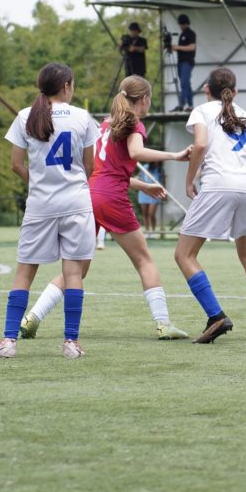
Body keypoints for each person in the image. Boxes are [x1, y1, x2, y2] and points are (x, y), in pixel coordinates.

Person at [18, 76, 193, 341]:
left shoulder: (106, 124)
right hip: (111, 199)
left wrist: (143, 186)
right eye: (150, 98)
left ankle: (33, 317)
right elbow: (135, 153)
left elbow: (107, 171)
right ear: (144, 99)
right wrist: (175, 155)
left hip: (88, 194)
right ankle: (163, 324)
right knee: (144, 260)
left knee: (77, 269)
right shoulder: (134, 123)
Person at [0, 63, 100, 359]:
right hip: (76, 202)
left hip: (40, 204)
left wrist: (37, 181)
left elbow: (15, 164)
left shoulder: (26, 115)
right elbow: (89, 166)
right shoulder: (82, 117)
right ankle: (71, 344)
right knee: (73, 272)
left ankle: (9, 341)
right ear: (66, 86)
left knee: (25, 272)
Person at [173, 67, 246, 343]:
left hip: (218, 185)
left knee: (184, 255)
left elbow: (199, 146)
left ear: (206, 89)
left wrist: (189, 180)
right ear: (235, 91)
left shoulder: (202, 110)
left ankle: (215, 316)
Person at [170, 13, 196, 111]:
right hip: (181, 61)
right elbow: (182, 48)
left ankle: (181, 104)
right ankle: (190, 105)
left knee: (184, 83)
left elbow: (192, 47)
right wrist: (173, 48)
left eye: (182, 24)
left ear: (186, 24)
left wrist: (178, 47)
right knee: (186, 83)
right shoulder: (182, 34)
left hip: (187, 61)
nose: (181, 26)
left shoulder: (190, 33)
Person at [137, 159, 163, 235]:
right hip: (144, 191)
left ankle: (153, 231)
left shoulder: (160, 169)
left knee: (151, 214)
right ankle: (147, 232)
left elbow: (163, 181)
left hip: (156, 192)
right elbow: (139, 177)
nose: (157, 161)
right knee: (145, 214)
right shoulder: (144, 167)